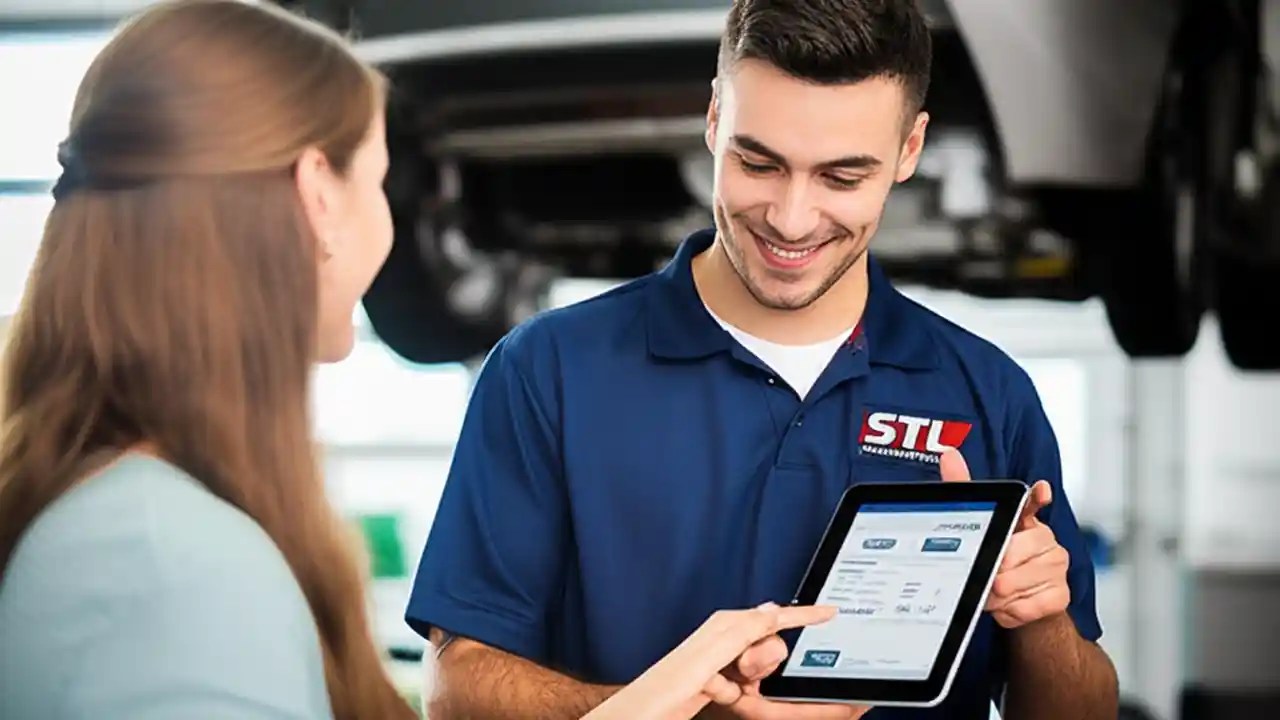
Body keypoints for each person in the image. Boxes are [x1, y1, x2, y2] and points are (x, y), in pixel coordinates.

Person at [0, 2, 847, 719]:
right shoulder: (166, 562)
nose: (391, 226)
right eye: (379, 180)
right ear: (316, 196)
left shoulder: (130, 520)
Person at [405, 0, 1121, 718]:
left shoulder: (985, 392)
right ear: (715, 119)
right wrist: (677, 709)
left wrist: (1041, 621)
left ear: (910, 150)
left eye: (841, 178)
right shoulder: (550, 371)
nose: (791, 218)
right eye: (759, 163)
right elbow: (457, 687)